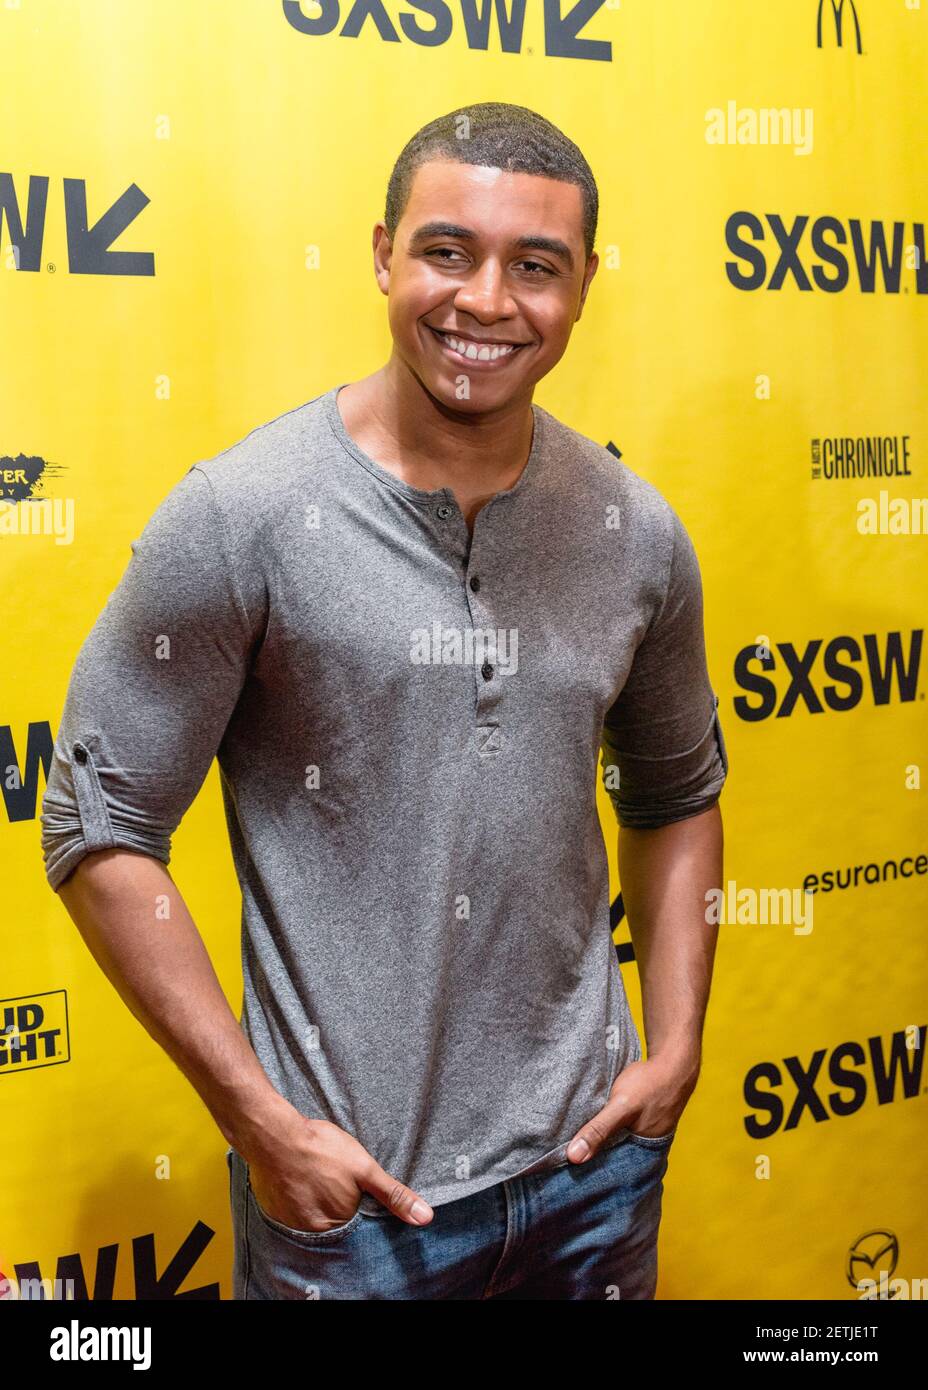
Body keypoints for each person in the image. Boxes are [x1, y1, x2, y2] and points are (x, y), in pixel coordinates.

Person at [40, 101, 729, 1301]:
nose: (484, 301)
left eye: (536, 266)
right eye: (447, 251)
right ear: (381, 255)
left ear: (583, 287)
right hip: (353, 1209)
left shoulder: (635, 530)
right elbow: (96, 826)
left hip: (595, 1176)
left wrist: (673, 1050)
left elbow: (676, 796)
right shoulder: (241, 515)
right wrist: (259, 1118)